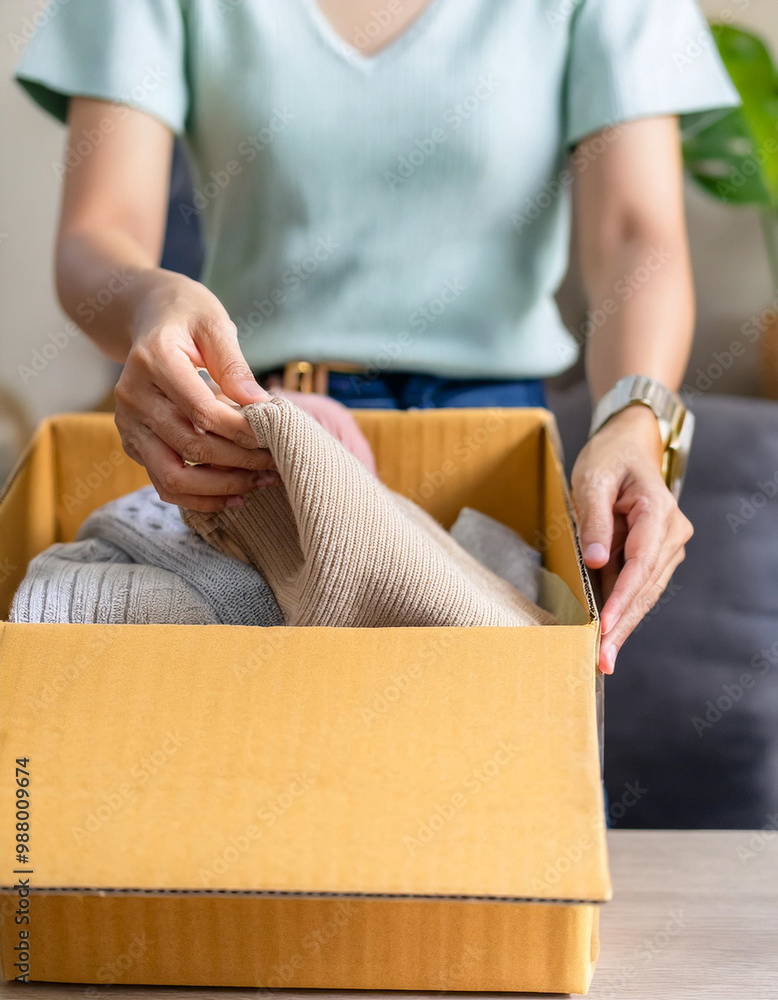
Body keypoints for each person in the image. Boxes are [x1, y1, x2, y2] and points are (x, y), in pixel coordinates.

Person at [15, 0, 739, 672]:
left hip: (494, 453)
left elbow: (637, 237)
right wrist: (155, 300)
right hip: (251, 447)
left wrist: (635, 417)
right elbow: (100, 233)